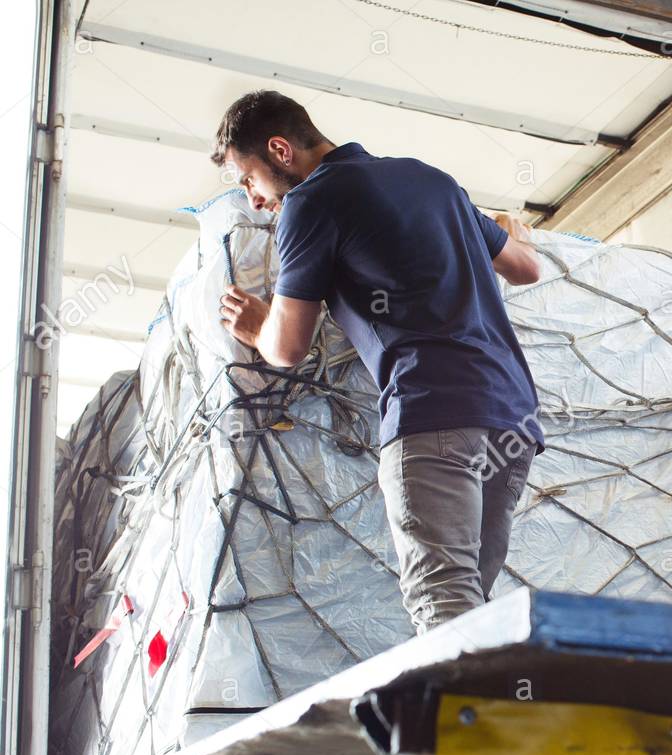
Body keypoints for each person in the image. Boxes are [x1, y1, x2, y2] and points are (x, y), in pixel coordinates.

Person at [212, 90, 544, 634]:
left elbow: (289, 348)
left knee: (443, 600)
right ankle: (491, 710)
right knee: (468, 607)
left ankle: (459, 719)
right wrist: (511, 233)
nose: (253, 200)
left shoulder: (311, 202)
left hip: (433, 411)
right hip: (513, 418)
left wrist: (256, 327)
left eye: (248, 179)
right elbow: (526, 268)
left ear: (279, 149)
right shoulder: (431, 179)